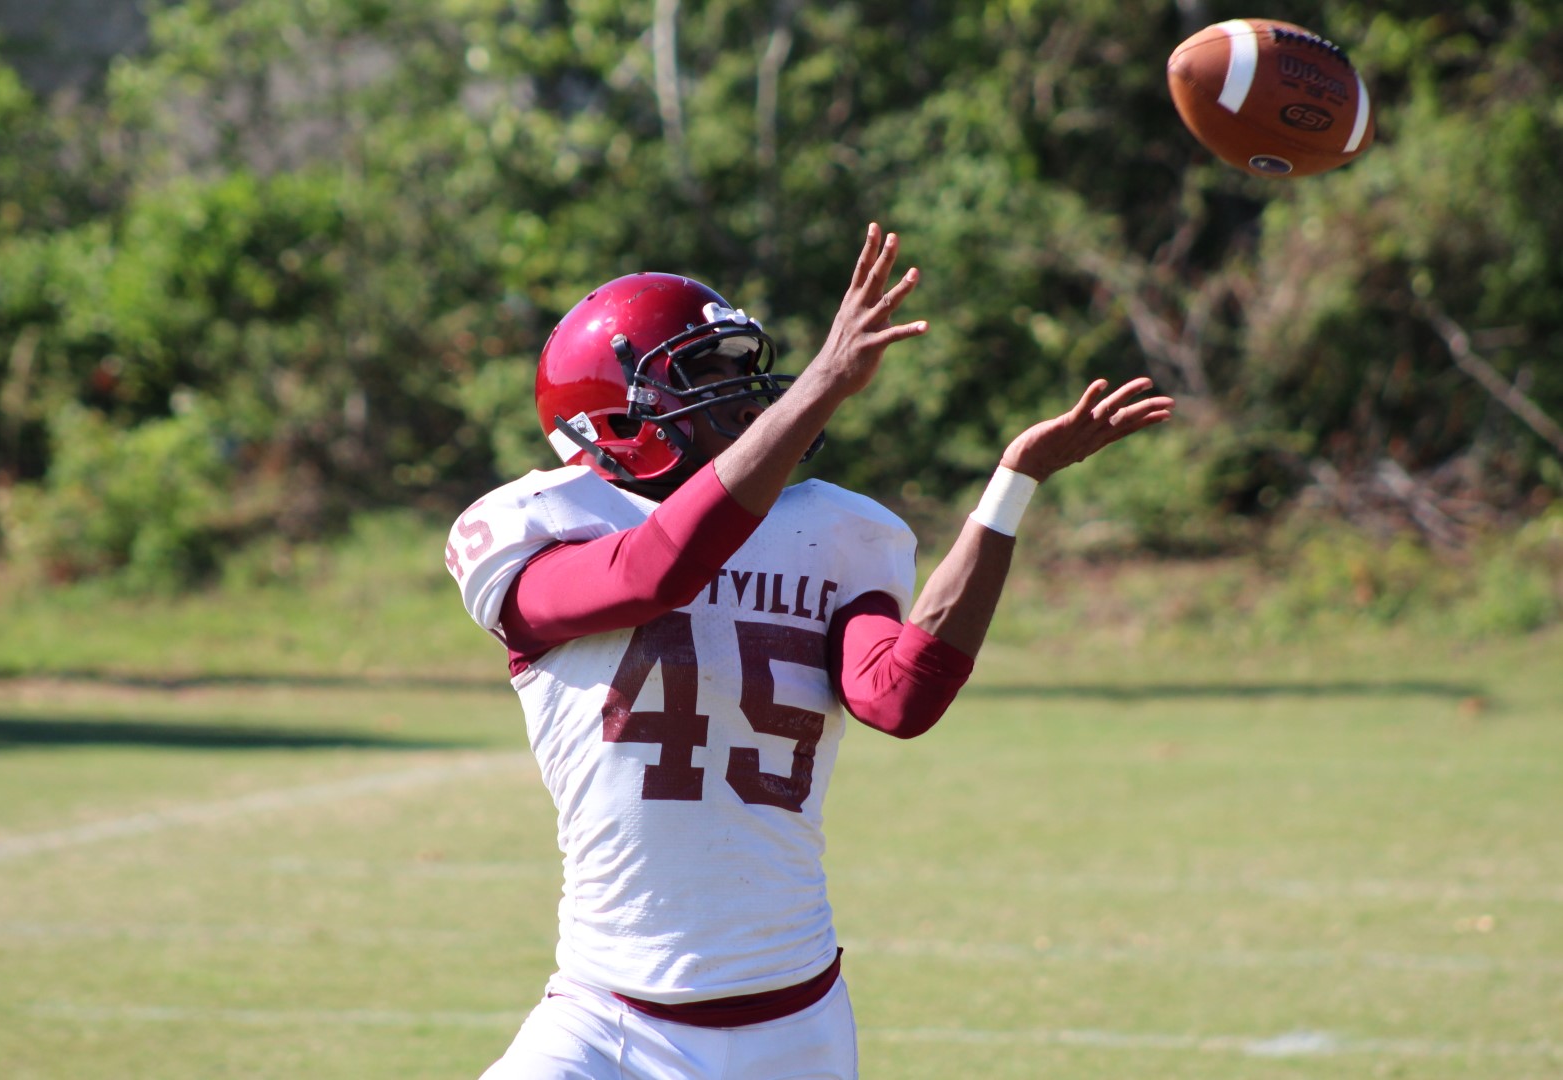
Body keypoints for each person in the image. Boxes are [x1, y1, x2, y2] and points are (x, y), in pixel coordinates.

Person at [445, 224, 1173, 1079]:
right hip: (608, 1020)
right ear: (615, 410)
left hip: (795, 1025)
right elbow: (656, 571)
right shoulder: (544, 525)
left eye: (738, 368)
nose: (744, 392)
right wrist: (822, 385)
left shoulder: (831, 527)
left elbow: (901, 696)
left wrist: (1012, 486)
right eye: (703, 374)